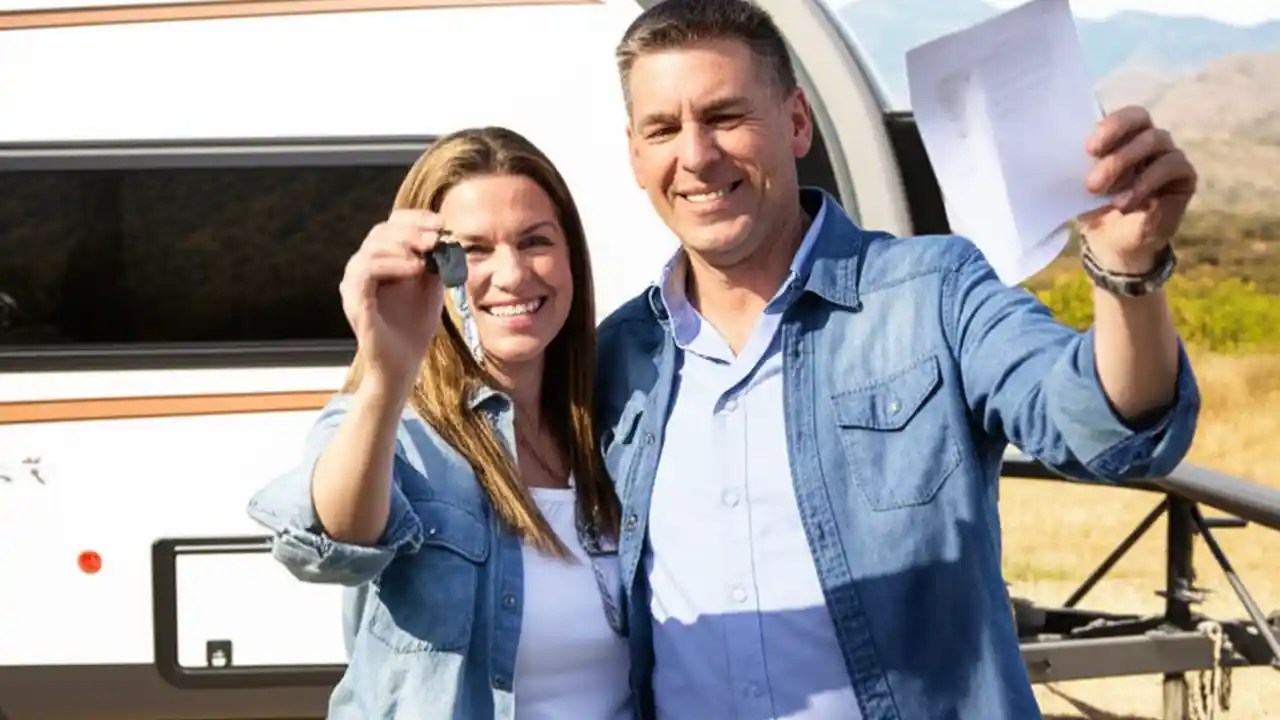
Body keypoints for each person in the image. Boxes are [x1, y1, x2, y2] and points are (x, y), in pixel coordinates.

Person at [593, 1, 1201, 718]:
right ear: (635, 152)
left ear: (795, 121)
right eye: (664, 128)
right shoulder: (617, 356)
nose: (696, 154)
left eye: (726, 116)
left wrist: (1127, 274)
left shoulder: (934, 292)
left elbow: (1100, 426)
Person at [246, 126, 630, 720]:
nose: (511, 274)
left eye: (535, 242)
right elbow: (332, 541)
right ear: (431, 268)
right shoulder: (395, 424)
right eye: (473, 251)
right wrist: (387, 372)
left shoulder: (614, 428)